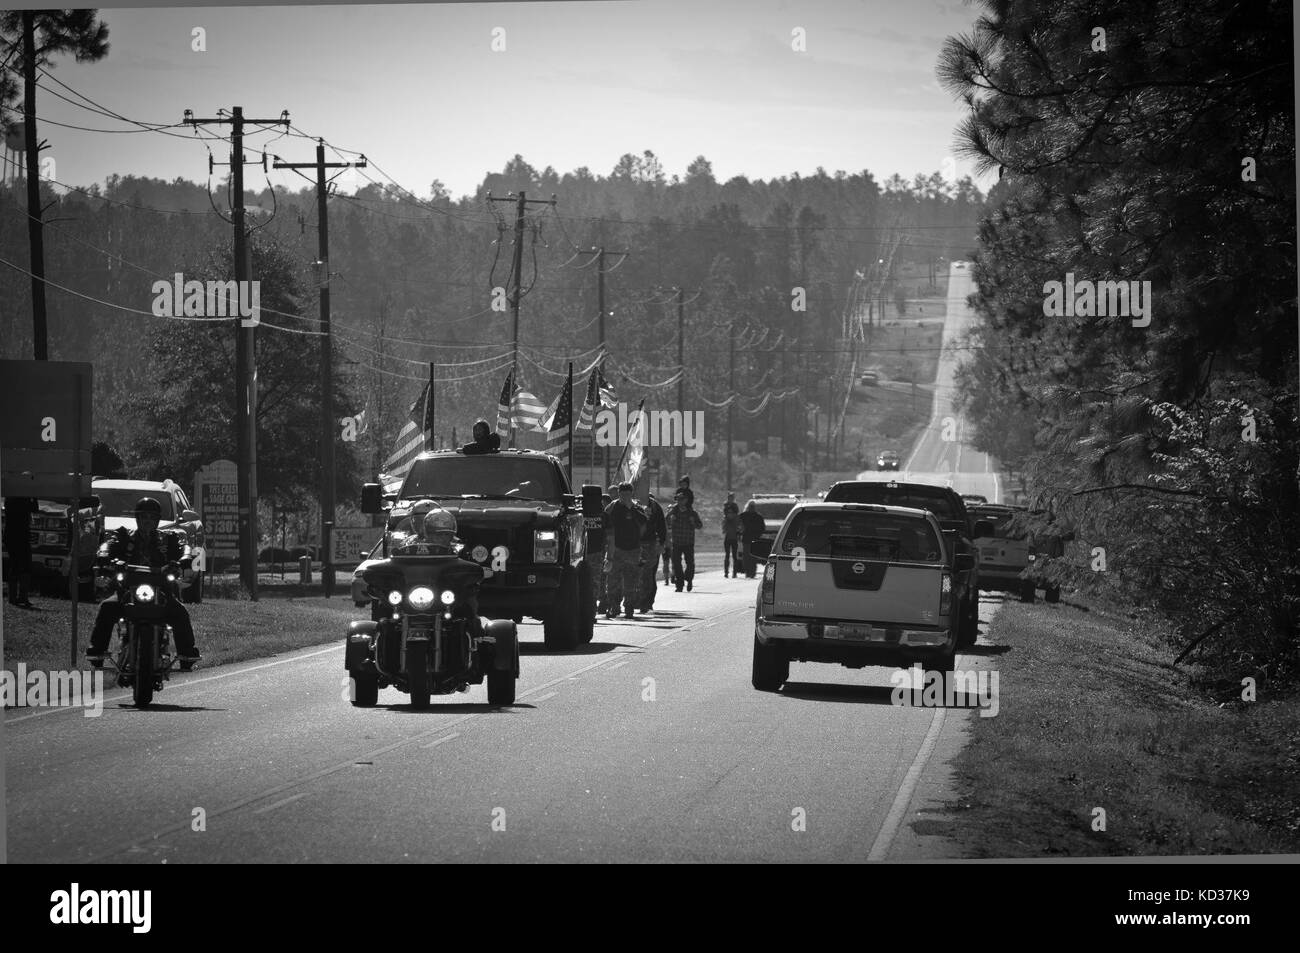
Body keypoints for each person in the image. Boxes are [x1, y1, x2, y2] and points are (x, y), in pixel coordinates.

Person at [87, 497, 200, 669]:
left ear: (157, 520)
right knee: (107, 607)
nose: (148, 521)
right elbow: (108, 544)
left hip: (161, 591)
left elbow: (183, 547)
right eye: (144, 517)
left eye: (152, 518)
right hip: (127, 591)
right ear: (137, 519)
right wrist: (105, 555)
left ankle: (187, 656)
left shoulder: (168, 538)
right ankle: (96, 653)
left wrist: (184, 557)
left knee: (180, 613)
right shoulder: (124, 535)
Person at [603, 483, 645, 619]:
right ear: (619, 493)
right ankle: (614, 607)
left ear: (631, 493)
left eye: (628, 494)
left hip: (633, 549)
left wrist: (631, 508)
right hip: (616, 549)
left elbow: (644, 522)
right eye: (622, 494)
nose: (625, 496)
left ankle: (629, 608)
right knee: (613, 581)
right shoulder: (613, 507)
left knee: (631, 581)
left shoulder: (637, 507)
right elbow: (605, 521)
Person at [666, 489, 703, 592]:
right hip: (677, 541)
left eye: (682, 499)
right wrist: (670, 520)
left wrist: (693, 522)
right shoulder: (673, 511)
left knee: (690, 563)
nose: (680, 501)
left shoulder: (692, 512)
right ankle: (679, 584)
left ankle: (689, 579)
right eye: (678, 499)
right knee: (676, 564)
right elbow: (665, 522)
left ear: (686, 500)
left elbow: (699, 525)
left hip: (688, 542)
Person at [4, 496, 37, 608]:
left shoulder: (11, 498)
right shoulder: (20, 498)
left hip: (14, 535)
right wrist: (33, 496)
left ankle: (17, 597)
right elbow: (34, 508)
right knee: (20, 565)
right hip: (18, 535)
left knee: (18, 565)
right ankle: (18, 597)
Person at [638, 492, 666, 612]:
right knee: (634, 573)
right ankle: (634, 600)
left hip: (650, 544)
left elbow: (661, 527)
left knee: (649, 574)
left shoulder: (655, 507)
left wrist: (661, 544)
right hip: (635, 544)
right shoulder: (634, 505)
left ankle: (647, 601)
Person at [740, 499, 766, 578]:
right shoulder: (743, 516)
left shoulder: (758, 517)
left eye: (753, 507)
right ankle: (748, 572)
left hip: (753, 540)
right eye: (751, 506)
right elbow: (738, 526)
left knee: (752, 557)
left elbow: (762, 528)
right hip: (747, 540)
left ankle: (752, 572)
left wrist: (757, 535)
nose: (751, 508)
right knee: (747, 557)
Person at [721, 492, 740, 578]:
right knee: (727, 555)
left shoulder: (736, 519)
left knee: (734, 556)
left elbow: (739, 527)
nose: (730, 514)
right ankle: (726, 572)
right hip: (728, 538)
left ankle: (734, 572)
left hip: (734, 538)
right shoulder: (725, 520)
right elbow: (724, 529)